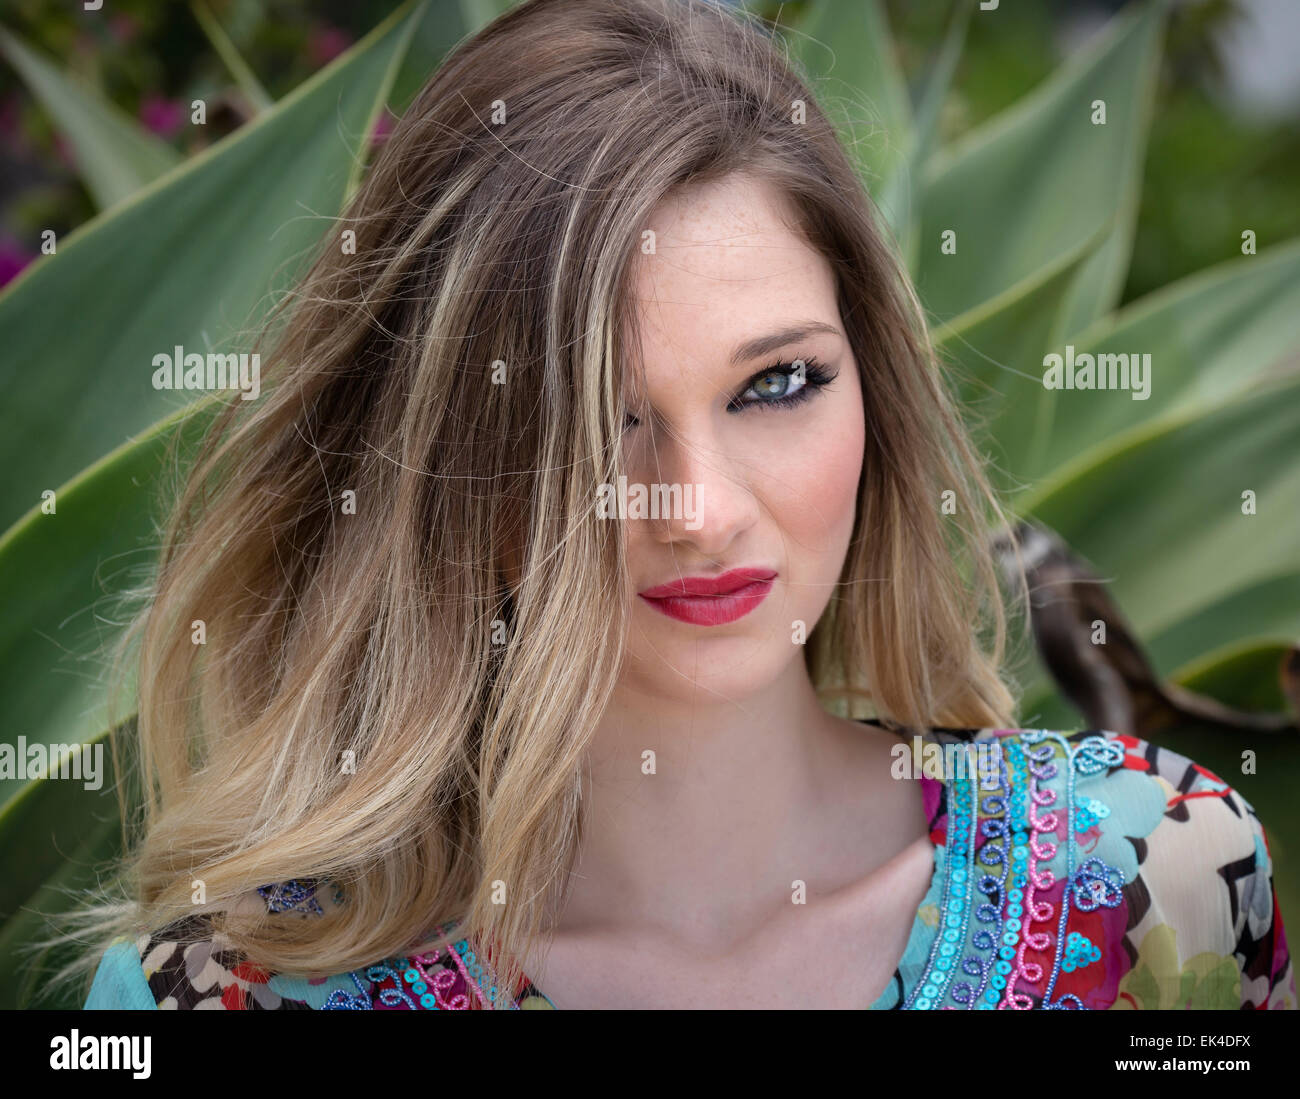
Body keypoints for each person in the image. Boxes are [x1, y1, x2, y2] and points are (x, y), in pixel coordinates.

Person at [73, 0, 1291, 1010]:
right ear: (439, 463)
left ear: (873, 386)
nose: (697, 509)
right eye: (595, 418)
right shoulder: (214, 994)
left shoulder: (1159, 872)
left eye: (777, 384)